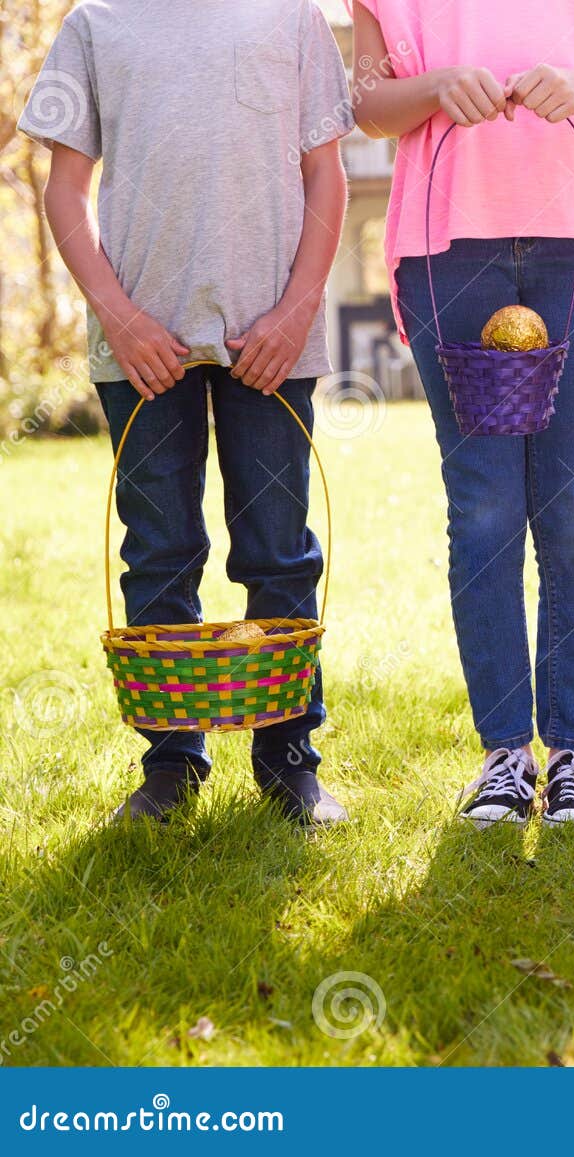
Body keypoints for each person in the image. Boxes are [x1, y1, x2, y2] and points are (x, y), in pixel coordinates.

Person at [22, 0, 353, 824]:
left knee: (278, 551)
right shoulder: (93, 24)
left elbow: (327, 174)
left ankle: (288, 759)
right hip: (141, 347)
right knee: (161, 551)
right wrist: (119, 319)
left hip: (270, 338)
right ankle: (172, 762)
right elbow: (66, 193)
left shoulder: (294, 19)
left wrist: (298, 309)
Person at [351, 0, 574, 828]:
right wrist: (436, 87)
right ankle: (503, 755)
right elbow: (369, 107)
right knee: (484, 507)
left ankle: (573, 756)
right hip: (449, 245)